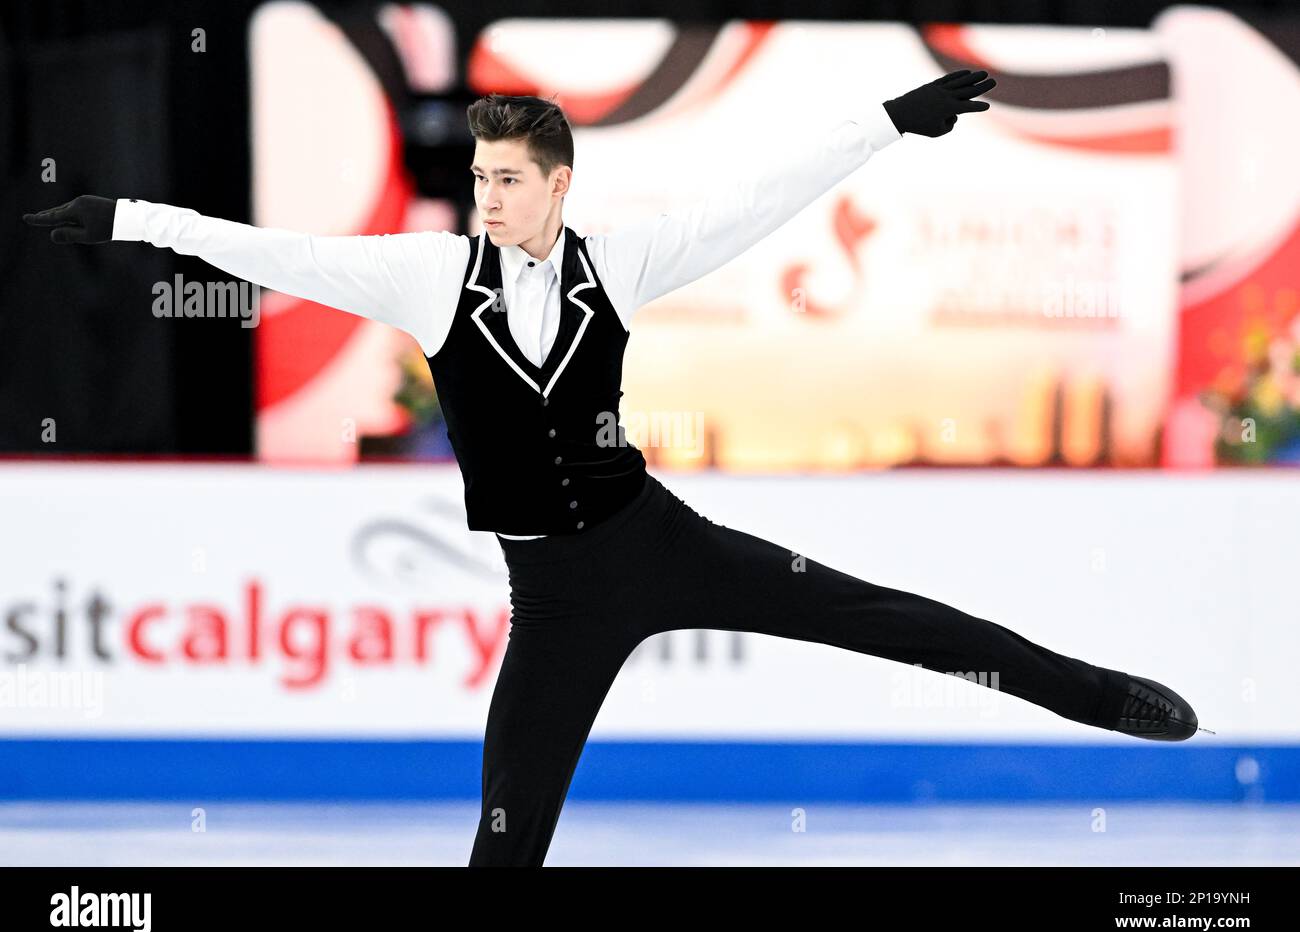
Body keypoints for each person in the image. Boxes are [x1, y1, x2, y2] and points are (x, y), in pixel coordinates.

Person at [24, 70, 1200, 867]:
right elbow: (269, 252)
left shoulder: (621, 262)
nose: (485, 199)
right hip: (556, 599)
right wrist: (124, 216)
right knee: (505, 837)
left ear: (557, 183)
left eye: (505, 181)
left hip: (660, 538)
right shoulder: (427, 277)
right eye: (477, 179)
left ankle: (1102, 695)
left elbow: (758, 202)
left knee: (885, 616)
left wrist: (888, 119)